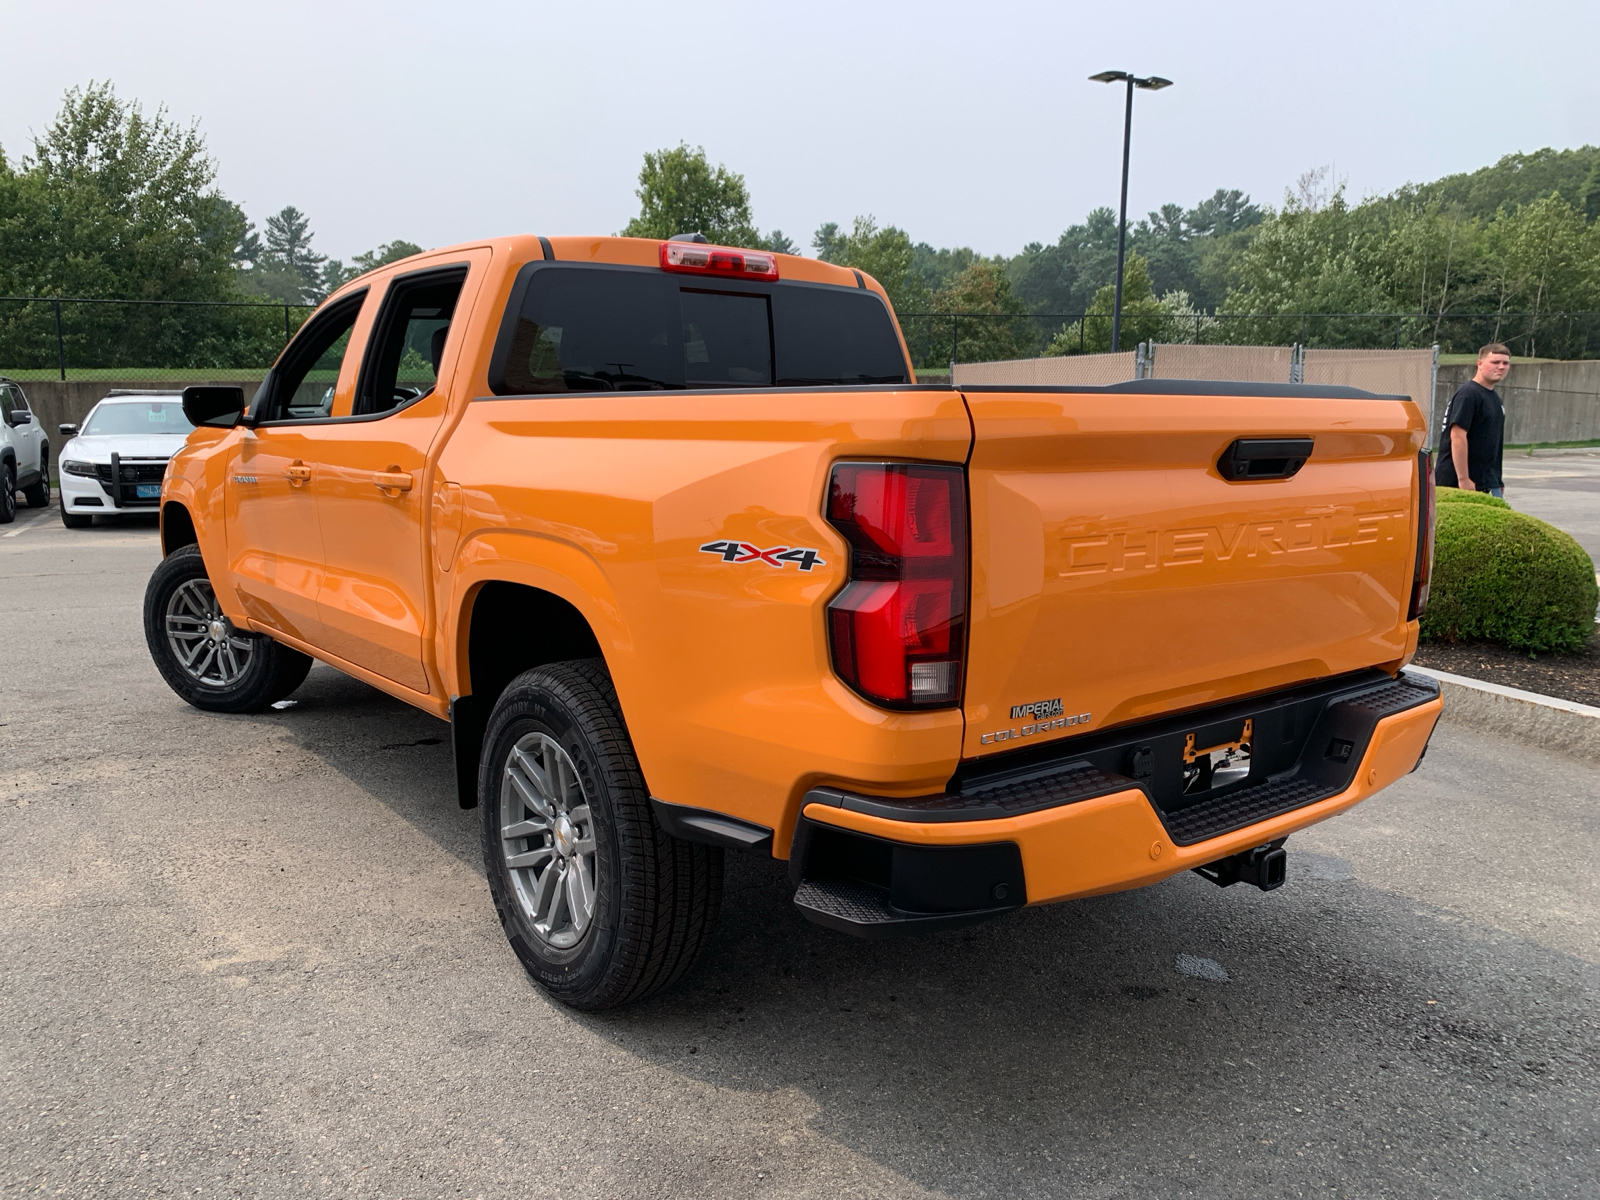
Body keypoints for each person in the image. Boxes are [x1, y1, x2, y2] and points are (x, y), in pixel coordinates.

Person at [1435, 343, 1511, 497]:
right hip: (1460, 483)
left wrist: (1496, 480)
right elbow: (1457, 436)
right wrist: (1463, 479)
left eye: (1505, 363)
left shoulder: (1494, 398)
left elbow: (1492, 443)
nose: (1501, 367)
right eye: (1495, 362)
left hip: (1488, 482)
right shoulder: (1469, 394)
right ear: (1480, 364)